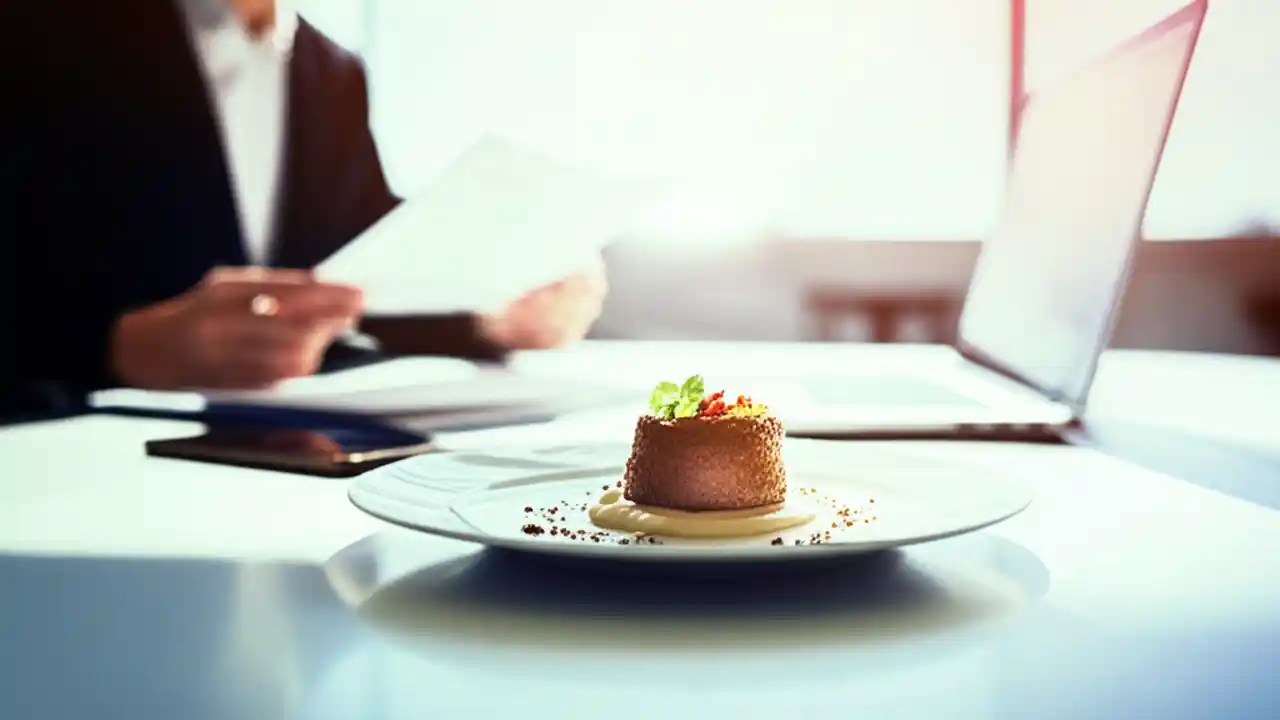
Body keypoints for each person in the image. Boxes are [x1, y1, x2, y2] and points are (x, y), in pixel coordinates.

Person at [0, 0, 606, 418]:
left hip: (269, 465)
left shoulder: (331, 71)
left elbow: (352, 281)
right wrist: (114, 347)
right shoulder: (40, 35)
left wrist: (492, 317)